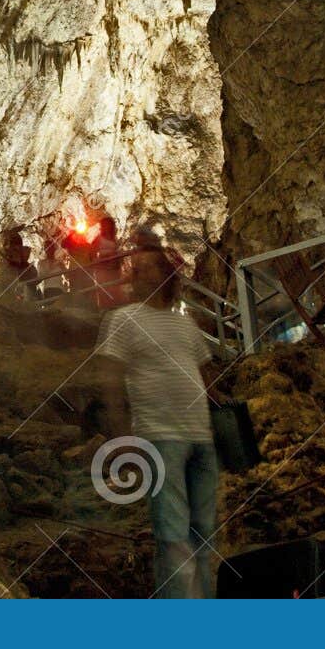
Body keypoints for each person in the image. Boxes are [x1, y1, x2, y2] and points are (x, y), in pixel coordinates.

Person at [95, 228, 221, 599]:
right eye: (136, 267)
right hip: (160, 437)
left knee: (204, 533)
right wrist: (121, 437)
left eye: (149, 267)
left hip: (201, 438)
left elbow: (206, 377)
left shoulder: (185, 324)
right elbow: (111, 383)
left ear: (167, 275)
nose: (138, 271)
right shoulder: (122, 320)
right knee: (173, 535)